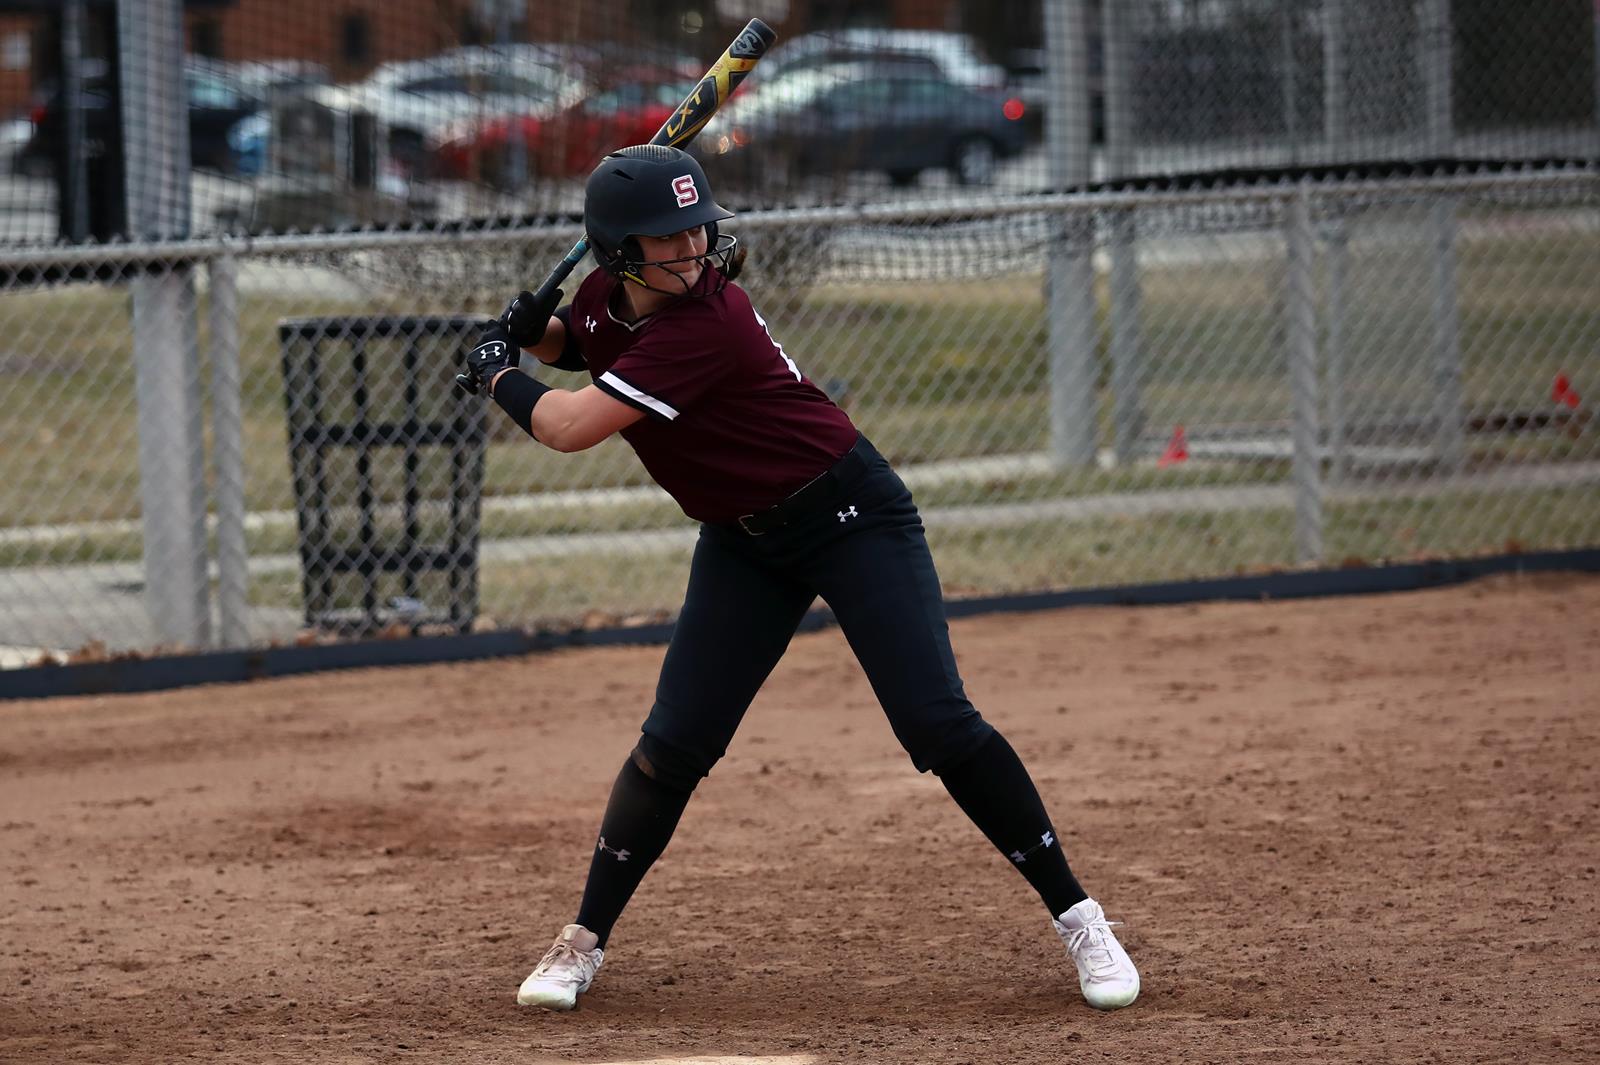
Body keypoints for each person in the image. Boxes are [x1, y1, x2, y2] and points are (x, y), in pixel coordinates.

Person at [458, 144, 1140, 1013]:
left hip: (852, 517)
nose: (695, 248)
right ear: (618, 255)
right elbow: (585, 341)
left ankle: (1081, 917)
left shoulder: (708, 319)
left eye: (698, 228)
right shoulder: (603, 296)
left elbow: (566, 425)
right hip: (744, 541)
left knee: (937, 723)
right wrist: (538, 334)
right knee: (673, 745)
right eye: (669, 237)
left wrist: (497, 371)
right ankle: (582, 939)